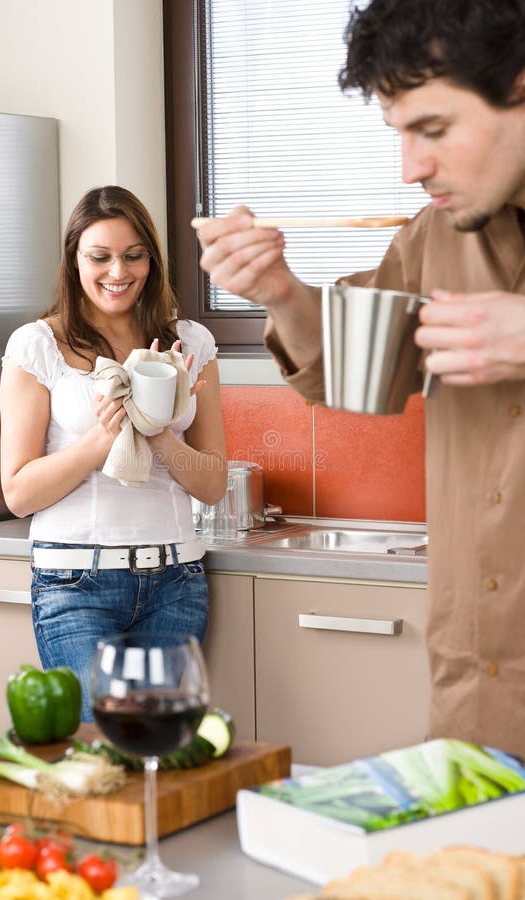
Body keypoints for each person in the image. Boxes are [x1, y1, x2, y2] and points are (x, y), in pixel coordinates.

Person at [195, 0, 525, 755]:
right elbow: (361, 371)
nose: (411, 169)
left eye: (434, 130)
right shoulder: (436, 233)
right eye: (399, 134)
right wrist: (280, 289)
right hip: (482, 687)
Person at [0, 185, 227, 720]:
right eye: (99, 257)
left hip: (176, 580)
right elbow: (18, 492)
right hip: (75, 583)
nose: (117, 272)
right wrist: (102, 440)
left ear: (151, 258)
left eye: (133, 255)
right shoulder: (39, 345)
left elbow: (213, 484)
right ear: (74, 258)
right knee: (102, 749)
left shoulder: (190, 346)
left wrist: (159, 431)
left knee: (162, 753)